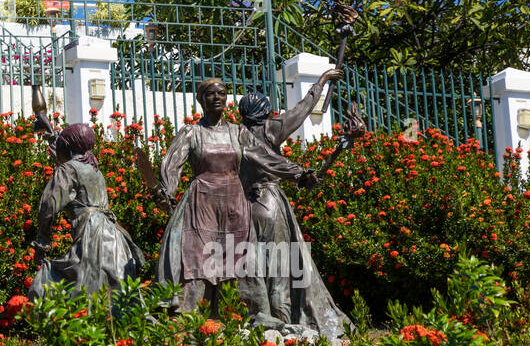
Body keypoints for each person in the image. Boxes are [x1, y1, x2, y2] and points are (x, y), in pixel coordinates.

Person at [155, 77, 317, 320]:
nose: (217, 97)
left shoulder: (238, 132)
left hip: (234, 203)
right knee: (199, 257)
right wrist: (167, 191)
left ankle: (247, 315)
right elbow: (171, 165)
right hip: (202, 202)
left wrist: (298, 174)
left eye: (222, 92)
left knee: (239, 258)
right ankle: (192, 318)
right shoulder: (191, 133)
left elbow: (266, 158)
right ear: (201, 99)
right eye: (211, 93)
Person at [237, 72, 353, 343]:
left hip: (242, 208)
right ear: (265, 113)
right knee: (279, 270)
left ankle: (254, 321)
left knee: (251, 270)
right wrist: (321, 81)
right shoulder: (271, 129)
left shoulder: (235, 134)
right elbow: (301, 110)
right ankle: (284, 328)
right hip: (269, 203)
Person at [29, 123, 147, 305]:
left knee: (65, 287)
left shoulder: (68, 170)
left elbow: (48, 206)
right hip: (115, 239)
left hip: (92, 239)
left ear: (67, 146)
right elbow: (65, 160)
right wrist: (53, 136)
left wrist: (42, 241)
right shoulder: (94, 170)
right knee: (116, 300)